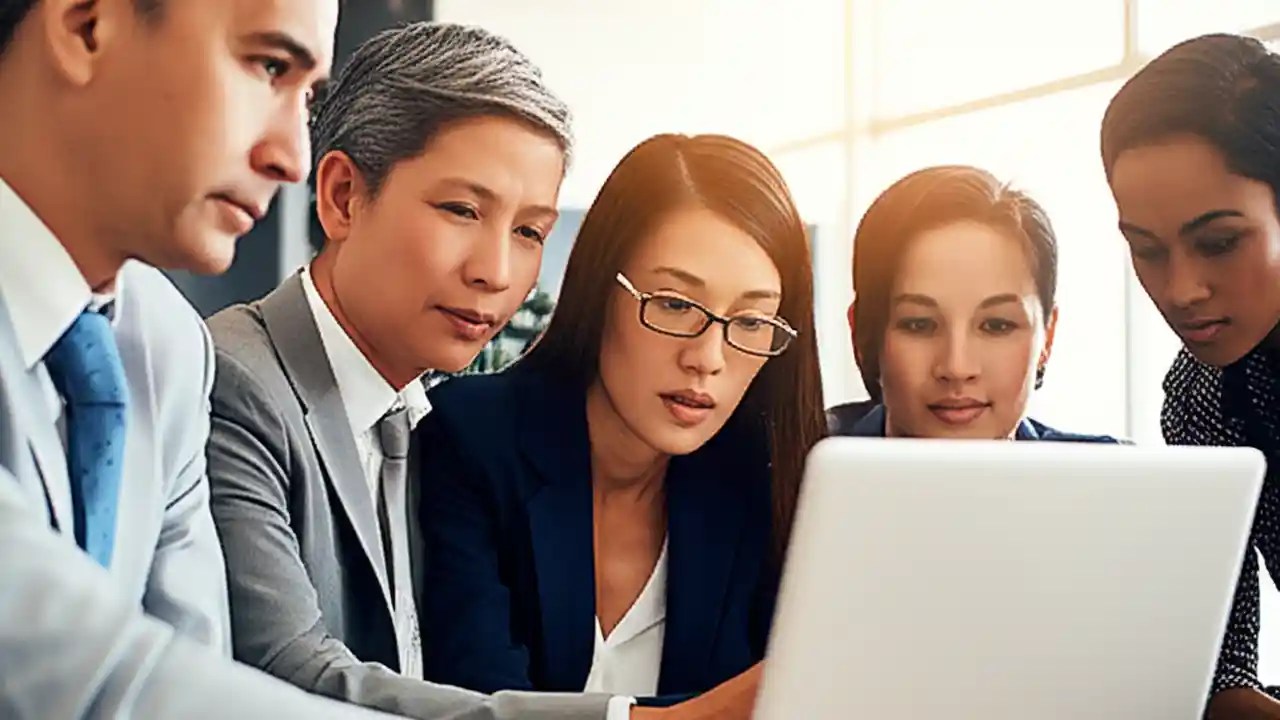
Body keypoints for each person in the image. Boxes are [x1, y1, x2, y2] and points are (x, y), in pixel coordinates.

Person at [205, 22, 761, 720]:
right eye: (462, 210)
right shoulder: (235, 382)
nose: (496, 273)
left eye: (529, 232)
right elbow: (286, 675)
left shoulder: (426, 418)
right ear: (343, 196)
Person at [0, 0, 404, 717]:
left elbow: (186, 662)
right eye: (268, 67)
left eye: (308, 99)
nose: (292, 159)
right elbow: (87, 679)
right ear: (87, 25)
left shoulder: (168, 346)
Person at [416, 133, 827, 707]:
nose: (707, 358)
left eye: (753, 322)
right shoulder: (471, 438)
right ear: (600, 288)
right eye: (675, 305)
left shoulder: (760, 485)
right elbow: (475, 705)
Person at [1101, 33, 1280, 719]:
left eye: (1219, 243)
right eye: (1147, 251)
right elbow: (1224, 669)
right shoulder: (1202, 392)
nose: (1180, 291)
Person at [828, 165, 1119, 443]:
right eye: (919, 325)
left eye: (997, 325)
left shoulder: (1112, 474)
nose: (957, 368)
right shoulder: (803, 461)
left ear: (1048, 336)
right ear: (862, 335)